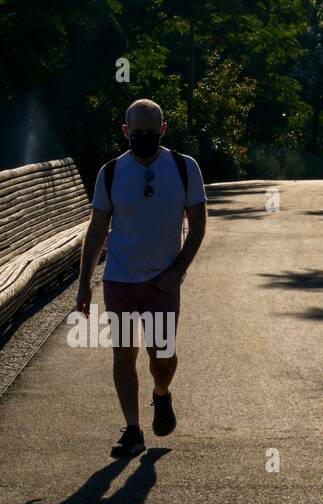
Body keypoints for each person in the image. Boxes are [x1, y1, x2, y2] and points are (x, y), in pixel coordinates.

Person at [76, 99, 207, 457]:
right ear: (125, 132)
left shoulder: (184, 168)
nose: (144, 139)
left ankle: (161, 394)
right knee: (123, 355)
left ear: (162, 131)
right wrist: (84, 283)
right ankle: (132, 430)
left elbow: (198, 226)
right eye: (137, 134)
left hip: (162, 282)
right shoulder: (112, 172)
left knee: (162, 356)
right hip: (119, 281)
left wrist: (178, 271)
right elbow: (97, 229)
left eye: (151, 134)